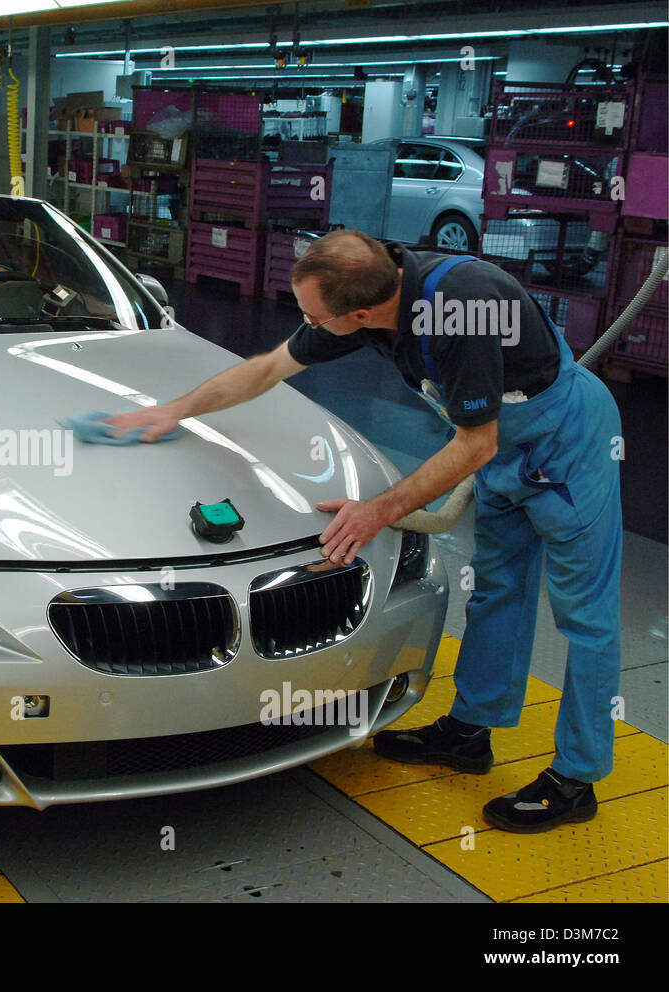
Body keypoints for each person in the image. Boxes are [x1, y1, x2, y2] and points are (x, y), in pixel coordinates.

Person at [105, 229, 623, 834]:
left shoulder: (466, 308)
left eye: (313, 315)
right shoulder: (372, 288)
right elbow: (270, 368)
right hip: (506, 450)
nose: (307, 324)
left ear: (362, 314)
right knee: (498, 591)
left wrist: (376, 510)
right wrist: (174, 410)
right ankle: (470, 731)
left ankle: (576, 778)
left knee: (585, 616)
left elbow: (474, 443)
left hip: (567, 448)